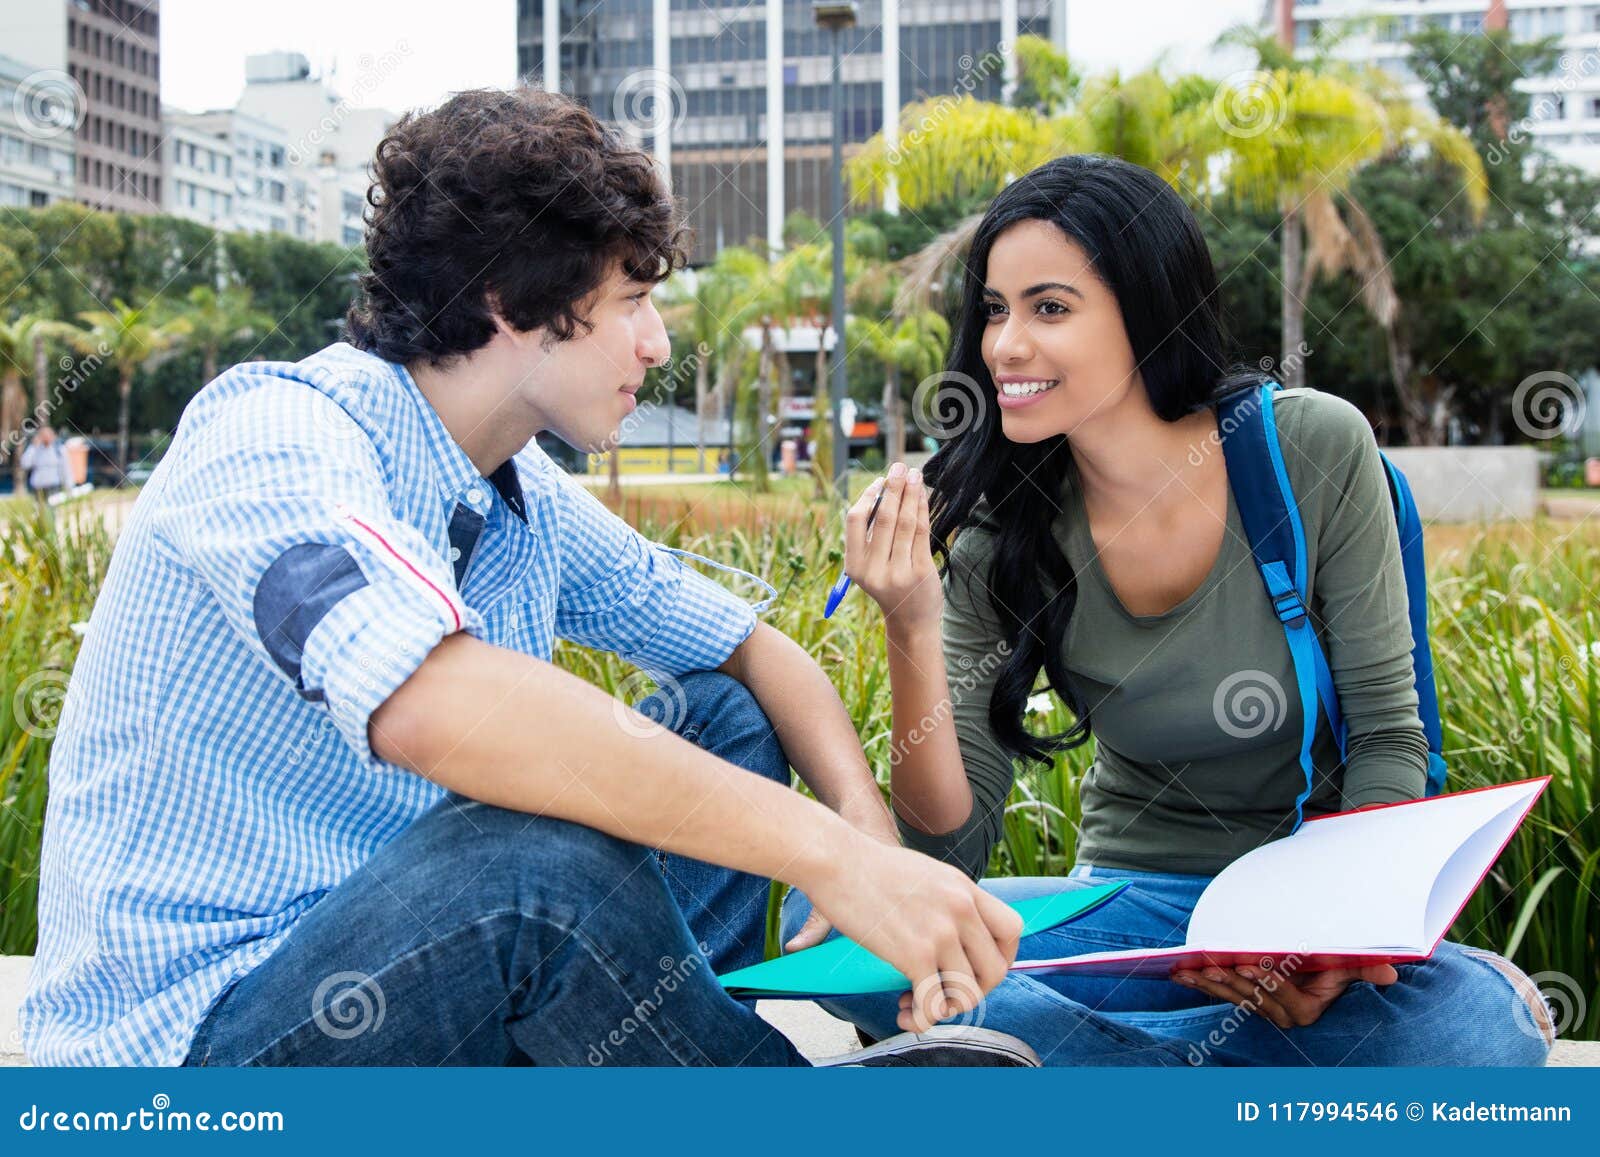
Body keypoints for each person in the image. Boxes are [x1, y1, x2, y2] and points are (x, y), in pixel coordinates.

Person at [21, 88, 1032, 1068]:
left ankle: (674, 1056)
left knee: (726, 713)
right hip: (203, 1042)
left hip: (402, 968)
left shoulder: (517, 491)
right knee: (531, 869)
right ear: (511, 301)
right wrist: (823, 855)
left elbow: (753, 651)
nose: (659, 341)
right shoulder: (276, 438)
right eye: (632, 299)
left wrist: (861, 824)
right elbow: (432, 705)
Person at [783, 153, 1555, 1066]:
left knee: (1471, 1031)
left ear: (1148, 311)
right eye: (995, 309)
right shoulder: (1004, 521)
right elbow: (949, 846)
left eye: (1050, 308)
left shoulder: (1307, 447)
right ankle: (1177, 1068)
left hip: (1306, 901)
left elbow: (1392, 737)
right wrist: (908, 621)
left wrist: (1328, 936)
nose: (1005, 346)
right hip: (1132, 906)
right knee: (856, 947)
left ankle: (1064, 1064)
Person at [20, 425, 71, 507]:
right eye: (43, 435)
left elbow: (66, 469)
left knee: (52, 513)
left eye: (48, 434)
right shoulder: (34, 449)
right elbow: (25, 464)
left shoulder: (59, 449)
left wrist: (69, 487)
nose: (46, 437)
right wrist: (33, 446)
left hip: (53, 488)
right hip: (37, 489)